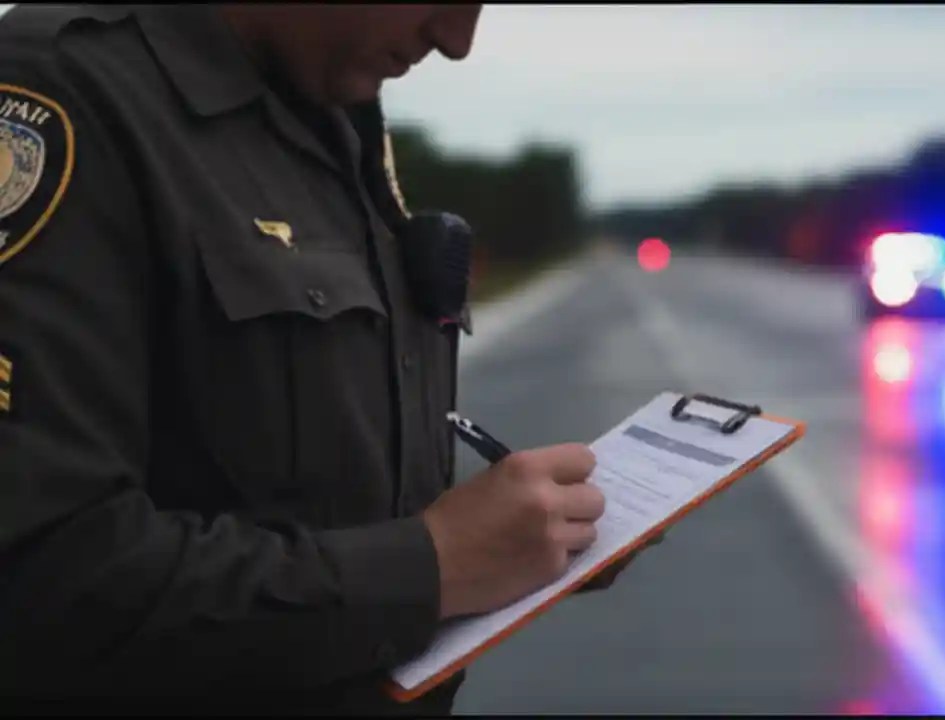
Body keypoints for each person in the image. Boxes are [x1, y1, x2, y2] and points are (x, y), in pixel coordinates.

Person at [0, 4, 654, 715]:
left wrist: (518, 540)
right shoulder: (63, 91)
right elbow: (41, 574)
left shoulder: (330, 104)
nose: (456, 41)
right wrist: (433, 566)